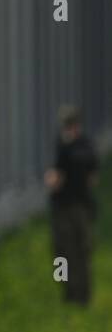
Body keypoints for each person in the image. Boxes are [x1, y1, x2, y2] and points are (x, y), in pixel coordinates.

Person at [44, 105, 99, 305]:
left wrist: (53, 180)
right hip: (75, 206)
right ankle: (75, 292)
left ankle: (72, 293)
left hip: (70, 207)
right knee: (71, 253)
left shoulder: (70, 147)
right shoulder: (82, 146)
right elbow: (93, 178)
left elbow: (57, 177)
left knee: (69, 253)